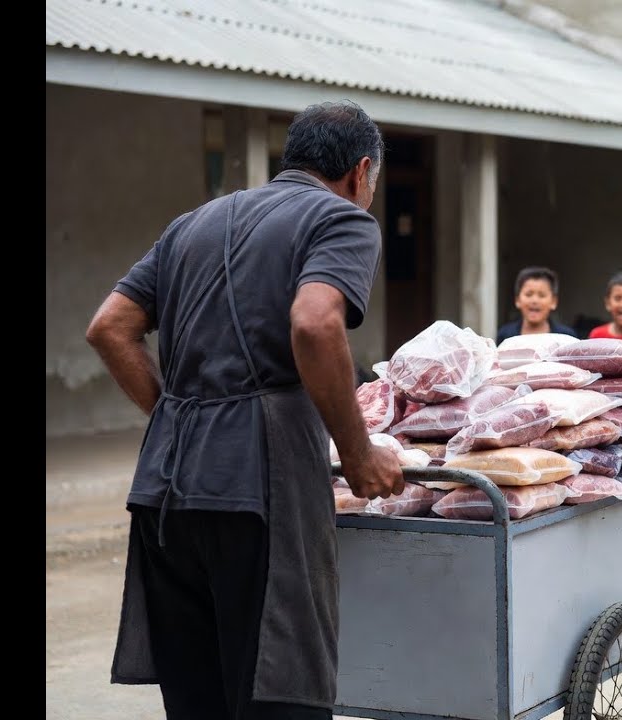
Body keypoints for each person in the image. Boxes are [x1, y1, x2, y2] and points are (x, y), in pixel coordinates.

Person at [85, 101, 405, 718]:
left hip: (165, 491)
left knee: (198, 700)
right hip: (259, 488)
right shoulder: (341, 218)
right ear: (361, 172)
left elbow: (109, 328)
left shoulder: (193, 223)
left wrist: (179, 419)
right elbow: (314, 324)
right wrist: (360, 453)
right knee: (278, 693)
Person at [496, 266, 577, 345]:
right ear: (517, 300)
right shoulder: (505, 335)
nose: (535, 301)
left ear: (553, 302)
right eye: (528, 294)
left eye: (542, 295)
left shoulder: (566, 337)